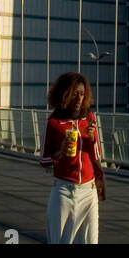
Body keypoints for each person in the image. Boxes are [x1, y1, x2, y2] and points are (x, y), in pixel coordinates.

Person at [40, 72, 106, 244]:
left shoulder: (89, 118)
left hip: (88, 191)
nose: (79, 98)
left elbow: (97, 155)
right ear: (64, 95)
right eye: (74, 93)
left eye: (82, 93)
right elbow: (44, 160)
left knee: (90, 242)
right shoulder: (54, 123)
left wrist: (92, 139)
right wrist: (60, 153)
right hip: (64, 192)